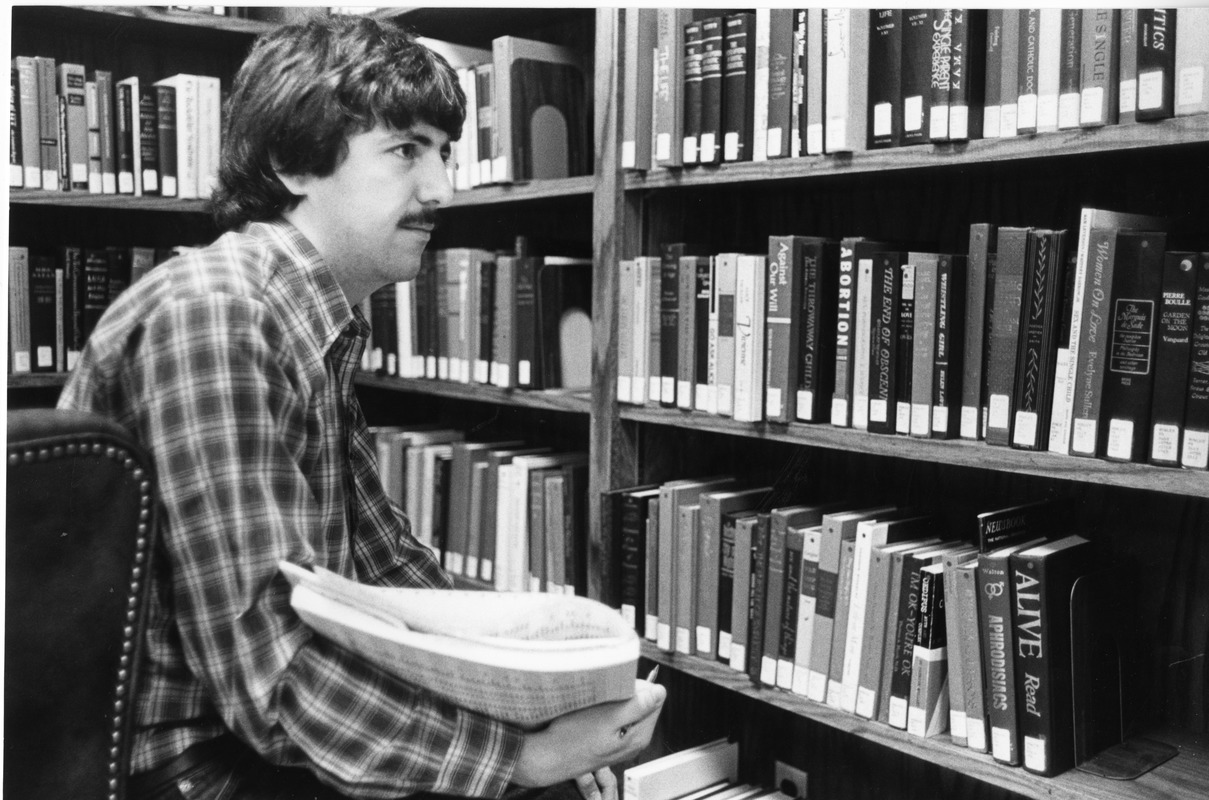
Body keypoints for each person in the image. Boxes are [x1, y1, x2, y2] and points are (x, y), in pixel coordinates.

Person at [58, 14, 664, 800]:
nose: (443, 187)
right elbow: (270, 674)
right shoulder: (218, 312)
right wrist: (520, 760)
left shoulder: (313, 313)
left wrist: (558, 690)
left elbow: (387, 570)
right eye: (406, 150)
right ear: (293, 163)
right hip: (189, 768)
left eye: (444, 152)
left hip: (255, 743)